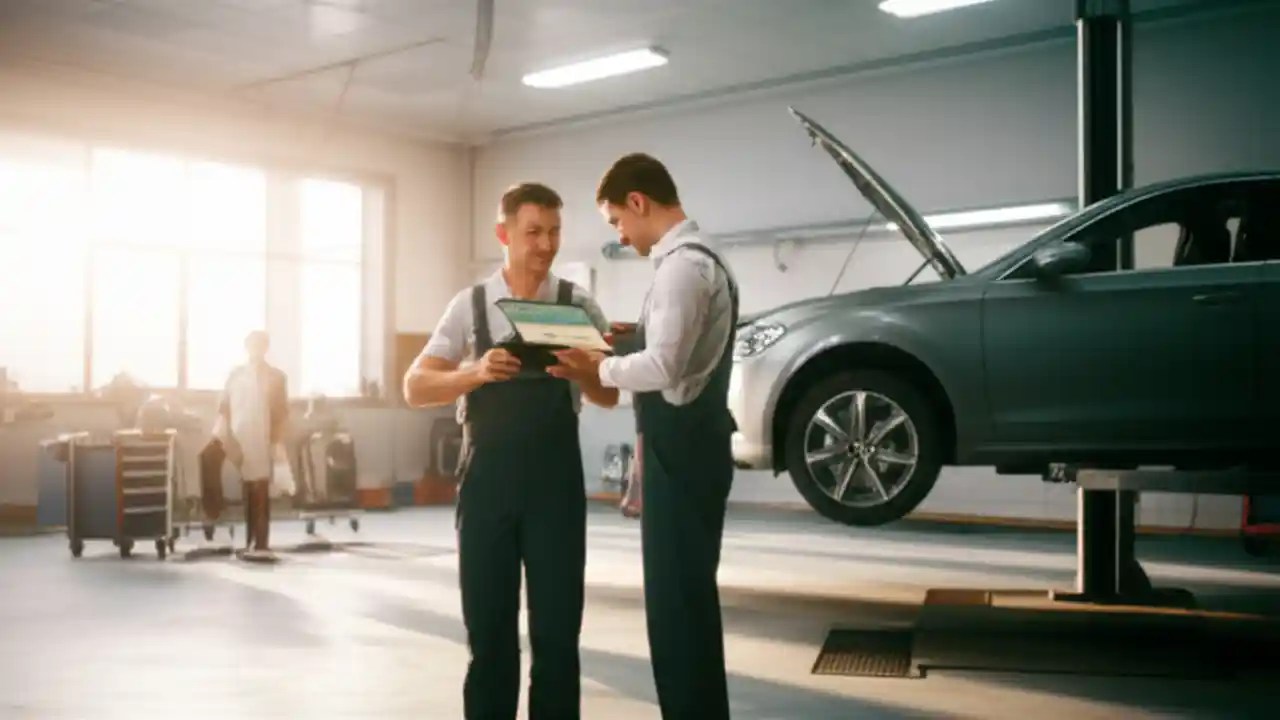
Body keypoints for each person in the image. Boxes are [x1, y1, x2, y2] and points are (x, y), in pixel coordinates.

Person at [403, 182, 618, 720]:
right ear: (504, 234)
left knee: (557, 637)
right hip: (487, 489)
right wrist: (473, 372)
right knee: (491, 635)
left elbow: (609, 394)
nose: (545, 244)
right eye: (533, 232)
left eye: (554, 232)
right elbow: (413, 386)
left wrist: (584, 370)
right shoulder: (471, 306)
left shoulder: (576, 305)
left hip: (555, 489)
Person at [550, 154, 738, 720]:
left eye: (615, 221)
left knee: (676, 612)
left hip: (680, 453)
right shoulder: (701, 260)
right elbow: (674, 350)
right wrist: (625, 342)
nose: (619, 233)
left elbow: (664, 369)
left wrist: (596, 366)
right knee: (687, 605)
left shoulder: (682, 267)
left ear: (638, 202)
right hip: (691, 447)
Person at [216, 330, 289, 562]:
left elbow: (281, 411)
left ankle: (261, 543)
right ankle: (249, 542)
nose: (256, 349)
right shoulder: (235, 374)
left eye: (261, 345)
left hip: (263, 435)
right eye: (252, 344)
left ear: (266, 348)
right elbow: (224, 406)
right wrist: (222, 433)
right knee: (248, 487)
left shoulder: (276, 376)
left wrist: (277, 440)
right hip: (240, 435)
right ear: (246, 346)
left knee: (260, 488)